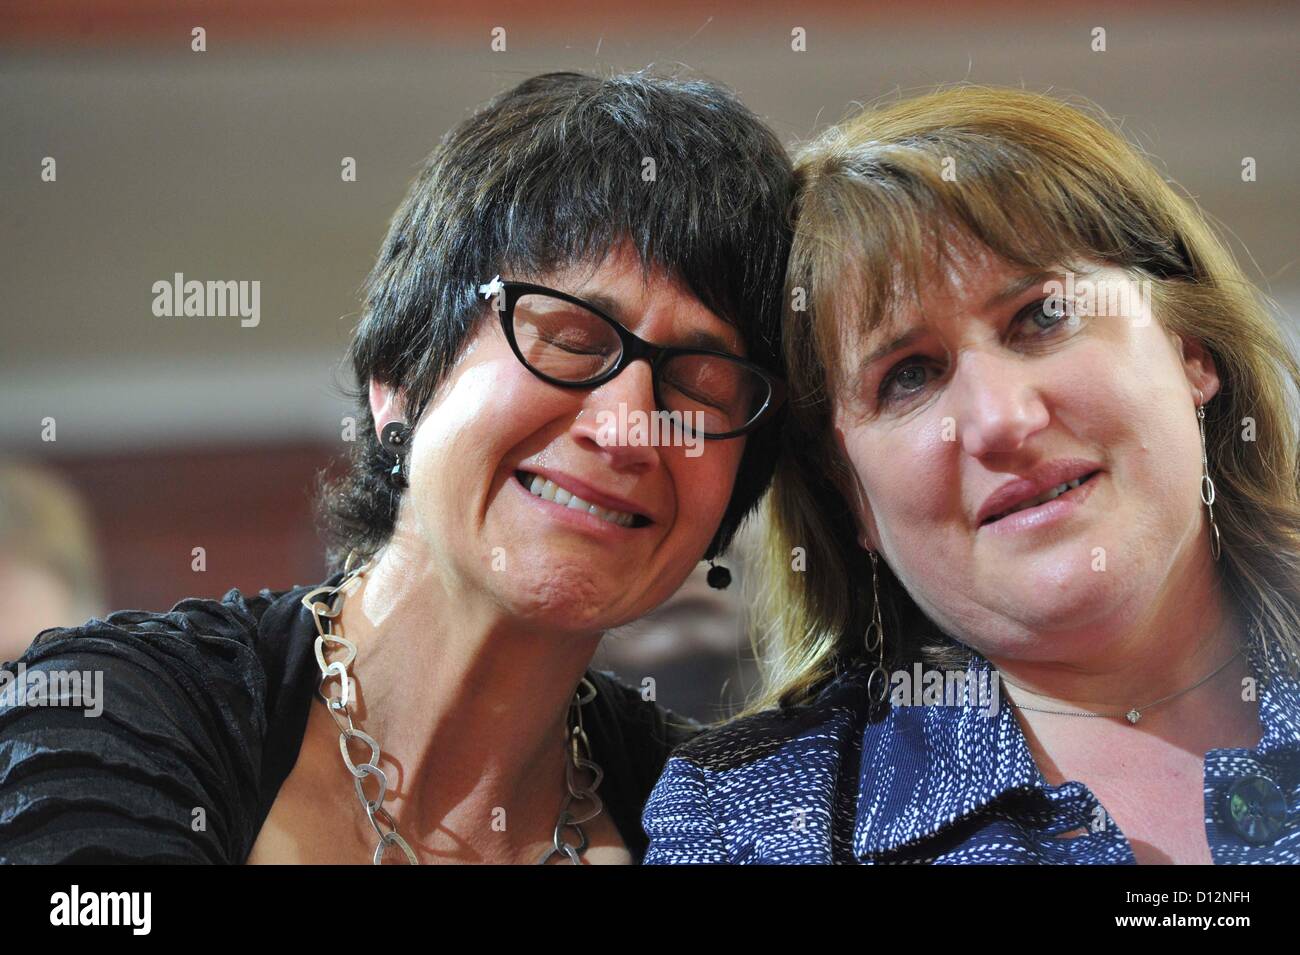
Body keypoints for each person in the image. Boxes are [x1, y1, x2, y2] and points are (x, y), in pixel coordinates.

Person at [0, 69, 794, 864]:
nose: (628, 429)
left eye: (699, 384)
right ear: (402, 380)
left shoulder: (723, 823)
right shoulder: (112, 715)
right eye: (571, 339)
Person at [643, 86, 1300, 865]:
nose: (998, 421)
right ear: (850, 496)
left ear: (1190, 346)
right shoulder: (751, 825)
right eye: (909, 376)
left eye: (1043, 316)